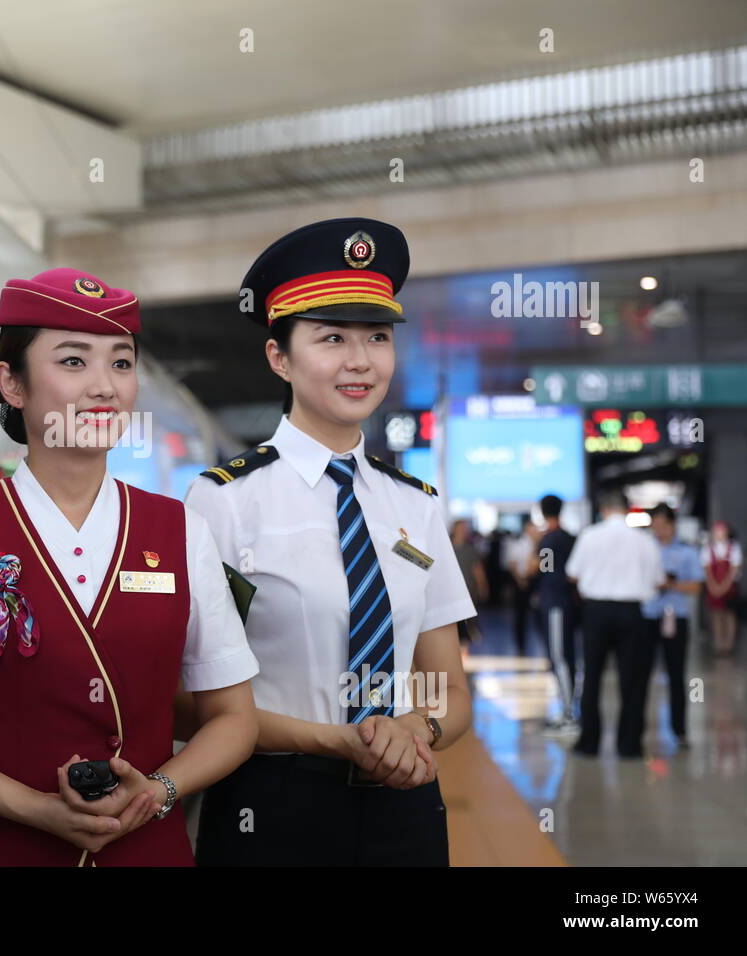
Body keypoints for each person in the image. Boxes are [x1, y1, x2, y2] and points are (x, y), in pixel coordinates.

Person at [0, 267, 259, 866]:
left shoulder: (180, 533)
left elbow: (233, 718)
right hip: (4, 851)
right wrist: (31, 807)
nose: (105, 386)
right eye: (73, 361)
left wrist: (160, 791)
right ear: (11, 384)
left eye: (121, 363)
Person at [182, 218, 475, 866]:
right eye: (332, 337)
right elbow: (188, 698)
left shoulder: (415, 505)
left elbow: (447, 690)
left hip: (407, 802)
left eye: (377, 336)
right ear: (279, 357)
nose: (360, 360)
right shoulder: (226, 500)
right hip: (273, 807)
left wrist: (413, 728)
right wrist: (339, 741)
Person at [564, 489, 665, 758]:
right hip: (633, 614)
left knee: (591, 677)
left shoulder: (590, 535)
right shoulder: (644, 540)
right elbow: (658, 580)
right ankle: (629, 745)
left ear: (605, 509)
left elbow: (572, 574)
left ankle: (590, 743)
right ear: (626, 509)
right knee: (632, 681)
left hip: (596, 612)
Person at [641, 504, 702, 747]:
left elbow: (697, 586)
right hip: (647, 617)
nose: (659, 530)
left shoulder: (686, 551)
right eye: (655, 526)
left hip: (675, 617)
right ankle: (638, 729)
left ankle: (680, 730)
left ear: (672, 525)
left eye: (663, 525)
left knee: (677, 675)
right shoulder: (645, 549)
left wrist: (671, 585)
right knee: (640, 674)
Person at [523, 494, 580, 735]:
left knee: (559, 657)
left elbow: (539, 569)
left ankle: (569, 714)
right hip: (567, 601)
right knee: (565, 656)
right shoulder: (570, 537)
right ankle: (568, 709)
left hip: (554, 603)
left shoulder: (549, 540)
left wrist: (534, 546)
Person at [701, 520, 741, 656]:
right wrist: (712, 586)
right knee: (716, 615)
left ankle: (729, 644)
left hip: (729, 587)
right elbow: (706, 569)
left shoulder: (734, 547)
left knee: (729, 615)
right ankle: (719, 643)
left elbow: (734, 570)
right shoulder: (708, 548)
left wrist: (724, 586)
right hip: (714, 586)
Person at [450, 519, 487, 649]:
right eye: (461, 528)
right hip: (451, 592)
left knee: (468, 622)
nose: (463, 531)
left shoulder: (471, 549)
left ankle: (464, 648)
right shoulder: (446, 548)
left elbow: (477, 569)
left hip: (468, 590)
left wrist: (482, 586)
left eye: (465, 529)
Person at [505, 517, 538, 656]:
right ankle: (521, 646)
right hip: (522, 582)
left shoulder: (541, 545)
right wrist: (520, 579)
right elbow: (512, 564)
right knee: (520, 616)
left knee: (534, 616)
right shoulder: (519, 544)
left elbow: (545, 566)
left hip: (534, 582)